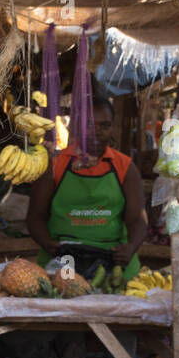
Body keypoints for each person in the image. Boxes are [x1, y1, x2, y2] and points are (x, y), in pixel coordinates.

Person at [27, 98, 147, 281]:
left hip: (114, 260)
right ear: (77, 127)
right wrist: (47, 243)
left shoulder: (125, 167)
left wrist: (130, 247)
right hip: (62, 261)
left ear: (112, 129)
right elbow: (35, 215)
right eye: (90, 125)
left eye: (104, 125)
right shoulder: (55, 165)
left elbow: (137, 219)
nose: (97, 132)